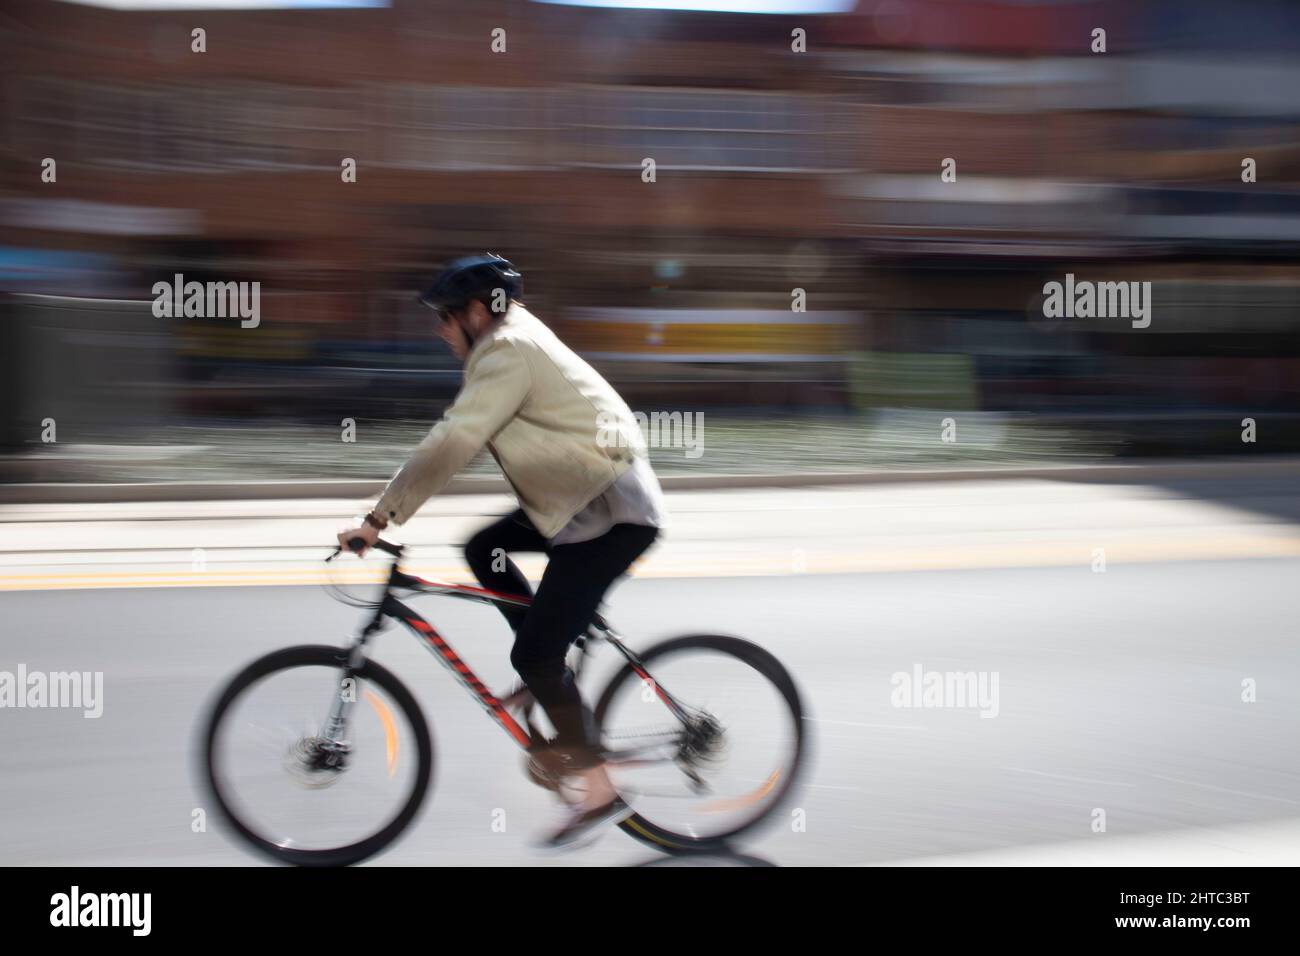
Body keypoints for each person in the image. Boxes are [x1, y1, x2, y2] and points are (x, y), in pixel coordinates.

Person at [337, 254, 666, 850]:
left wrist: (378, 517)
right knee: (486, 548)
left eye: (444, 316)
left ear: (473, 312)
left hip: (610, 514)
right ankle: (548, 665)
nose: (439, 329)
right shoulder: (508, 342)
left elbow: (455, 438)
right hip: (577, 504)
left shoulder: (505, 350)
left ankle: (599, 794)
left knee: (534, 656)